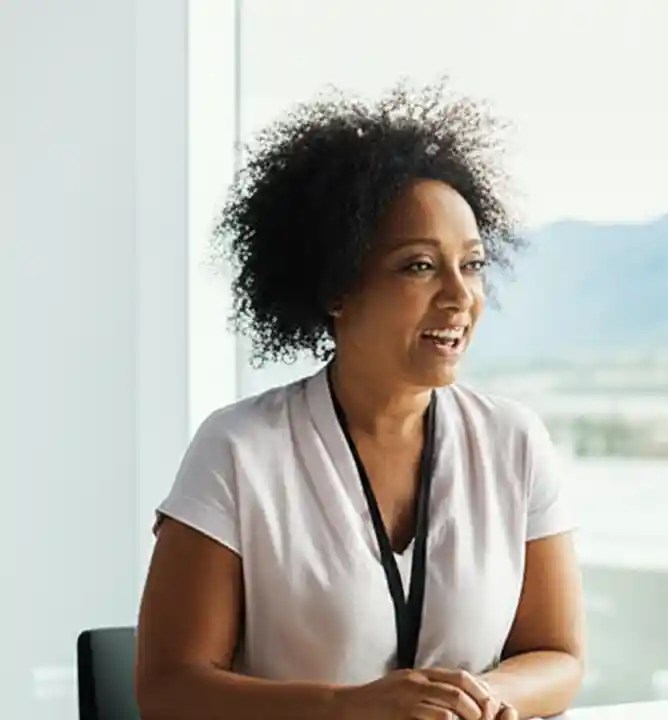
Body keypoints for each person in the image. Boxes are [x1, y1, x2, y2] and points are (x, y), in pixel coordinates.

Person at [136, 83, 585, 720]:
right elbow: (170, 689)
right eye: (420, 267)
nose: (461, 297)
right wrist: (348, 708)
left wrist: (478, 700)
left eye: (473, 264)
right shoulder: (239, 449)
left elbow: (558, 655)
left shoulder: (514, 440)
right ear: (337, 288)